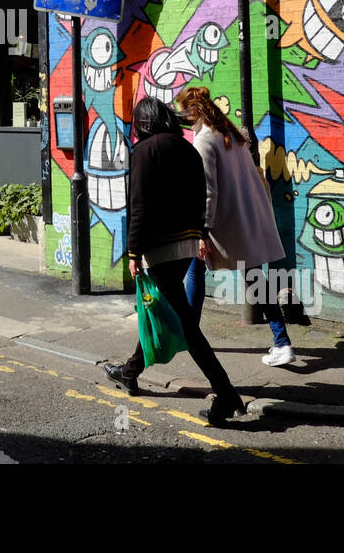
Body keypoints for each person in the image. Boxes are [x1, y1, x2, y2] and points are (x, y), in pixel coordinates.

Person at [103, 97, 247, 425]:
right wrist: (198, 234)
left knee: (186, 326)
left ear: (143, 122)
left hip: (161, 249)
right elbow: (200, 197)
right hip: (185, 248)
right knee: (162, 308)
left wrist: (132, 252)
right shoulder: (187, 149)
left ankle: (226, 395)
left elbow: (139, 205)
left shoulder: (144, 151)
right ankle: (130, 370)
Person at [174, 85, 296, 366]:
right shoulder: (229, 134)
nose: (181, 119)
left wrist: (202, 230)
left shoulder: (204, 141)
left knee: (195, 270)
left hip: (222, 222)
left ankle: (189, 337)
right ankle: (282, 341)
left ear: (194, 112)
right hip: (246, 218)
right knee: (255, 278)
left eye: (183, 114)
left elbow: (208, 191)